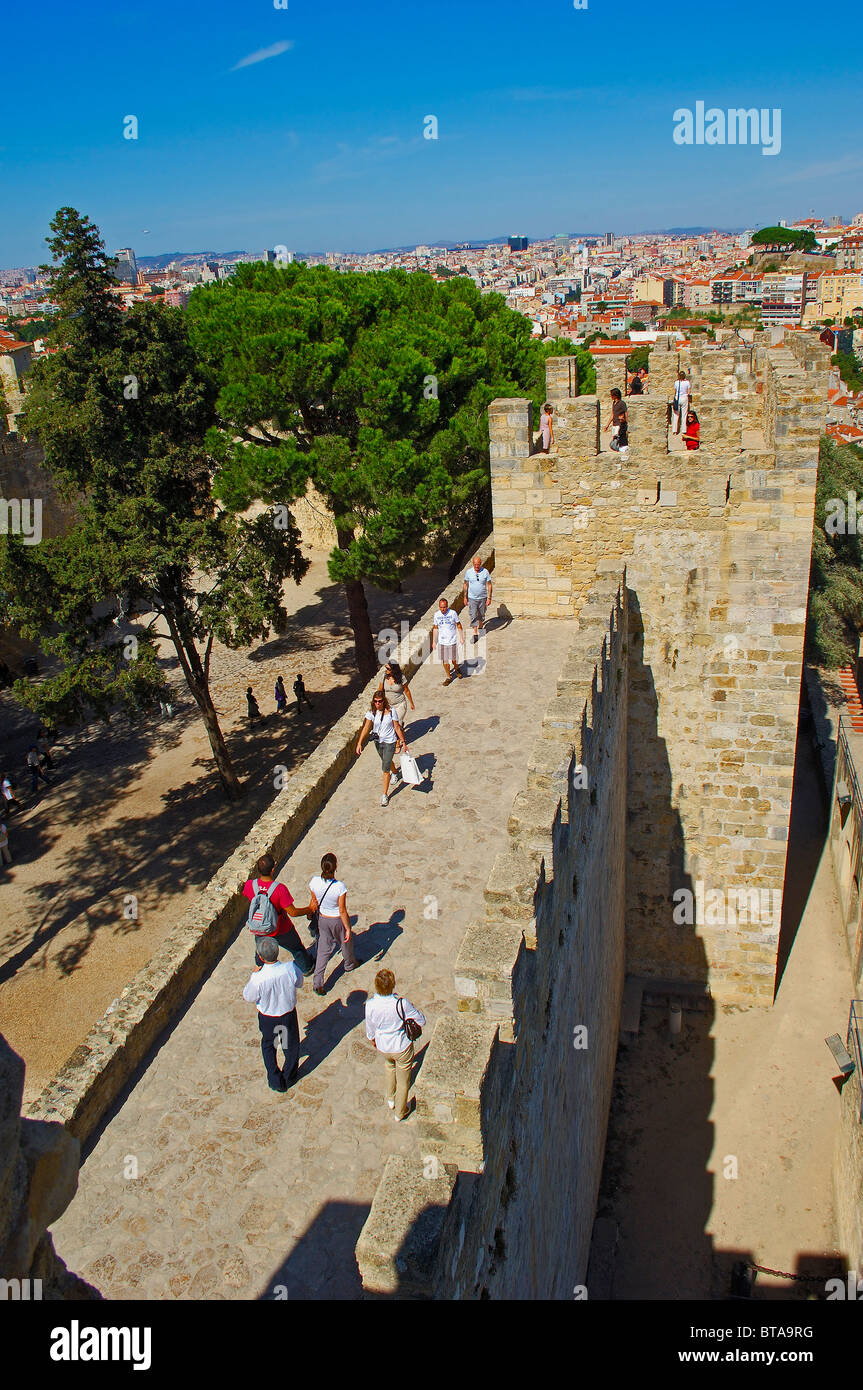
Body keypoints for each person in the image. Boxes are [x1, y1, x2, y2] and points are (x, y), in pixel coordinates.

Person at [242, 935, 304, 1093]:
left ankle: (275, 1080)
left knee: (269, 1046)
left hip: (268, 1017)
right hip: (287, 1014)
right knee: (290, 1045)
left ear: (261, 957)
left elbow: (248, 996)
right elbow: (299, 982)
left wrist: (255, 971)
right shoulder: (290, 968)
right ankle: (289, 1075)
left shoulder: (258, 979)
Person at [365, 969, 426, 1121]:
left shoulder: (370, 1005)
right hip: (401, 1046)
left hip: (383, 1045)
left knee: (389, 1067)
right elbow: (421, 1020)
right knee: (404, 1080)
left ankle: (391, 1098)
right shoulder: (401, 1003)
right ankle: (400, 1111)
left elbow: (370, 1027)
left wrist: (372, 1039)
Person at [242, 853, 316, 973]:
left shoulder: (250, 885)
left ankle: (258, 969)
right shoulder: (280, 889)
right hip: (281, 928)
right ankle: (307, 968)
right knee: (297, 949)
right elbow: (293, 912)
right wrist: (309, 909)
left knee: (261, 950)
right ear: (273, 869)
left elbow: (248, 896)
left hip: (260, 928)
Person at [305, 851, 359, 995]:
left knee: (323, 951)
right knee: (346, 942)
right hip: (336, 920)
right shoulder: (340, 887)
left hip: (323, 919)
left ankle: (317, 982)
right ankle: (349, 964)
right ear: (335, 867)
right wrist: (348, 928)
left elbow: (314, 902)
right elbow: (342, 910)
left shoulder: (314, 882)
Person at [356, 690, 409, 807]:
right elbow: (366, 727)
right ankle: (395, 772)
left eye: (380, 701)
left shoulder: (391, 712)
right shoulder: (372, 713)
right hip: (378, 742)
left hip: (390, 742)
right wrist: (359, 742)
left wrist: (402, 742)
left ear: (384, 701)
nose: (377, 704)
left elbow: (397, 727)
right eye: (375, 701)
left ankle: (384, 795)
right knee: (386, 761)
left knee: (385, 769)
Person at [433, 597, 464, 686]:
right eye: (441, 607)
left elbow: (458, 625)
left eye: (444, 607)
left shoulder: (453, 613)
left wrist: (461, 637)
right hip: (442, 642)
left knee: (454, 660)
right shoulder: (436, 615)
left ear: (447, 606)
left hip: (452, 640)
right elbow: (435, 628)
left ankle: (457, 668)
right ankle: (448, 677)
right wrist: (434, 641)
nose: (443, 609)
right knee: (445, 661)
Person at [462, 556, 493, 643]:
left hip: (483, 598)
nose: (476, 566)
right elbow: (465, 584)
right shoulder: (469, 572)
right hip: (472, 598)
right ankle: (475, 634)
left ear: (480, 563)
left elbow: (489, 585)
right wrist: (465, 597)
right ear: (473, 564)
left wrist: (489, 597)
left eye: (478, 564)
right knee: (473, 615)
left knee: (481, 615)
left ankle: (480, 626)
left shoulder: (485, 572)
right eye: (475, 564)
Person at [379, 660, 414, 733]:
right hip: (389, 705)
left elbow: (406, 690)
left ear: (394, 669)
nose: (386, 670)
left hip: (400, 704)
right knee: (391, 724)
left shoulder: (401, 677)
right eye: (386, 668)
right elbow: (380, 690)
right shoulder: (384, 676)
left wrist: (411, 703)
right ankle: (400, 729)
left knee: (397, 723)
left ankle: (398, 742)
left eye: (388, 669)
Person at [671, 371, 691, 436]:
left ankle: (674, 430)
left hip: (677, 398)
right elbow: (689, 391)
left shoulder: (676, 382)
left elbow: (675, 391)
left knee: (676, 415)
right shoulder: (687, 382)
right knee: (684, 415)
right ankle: (684, 430)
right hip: (684, 398)